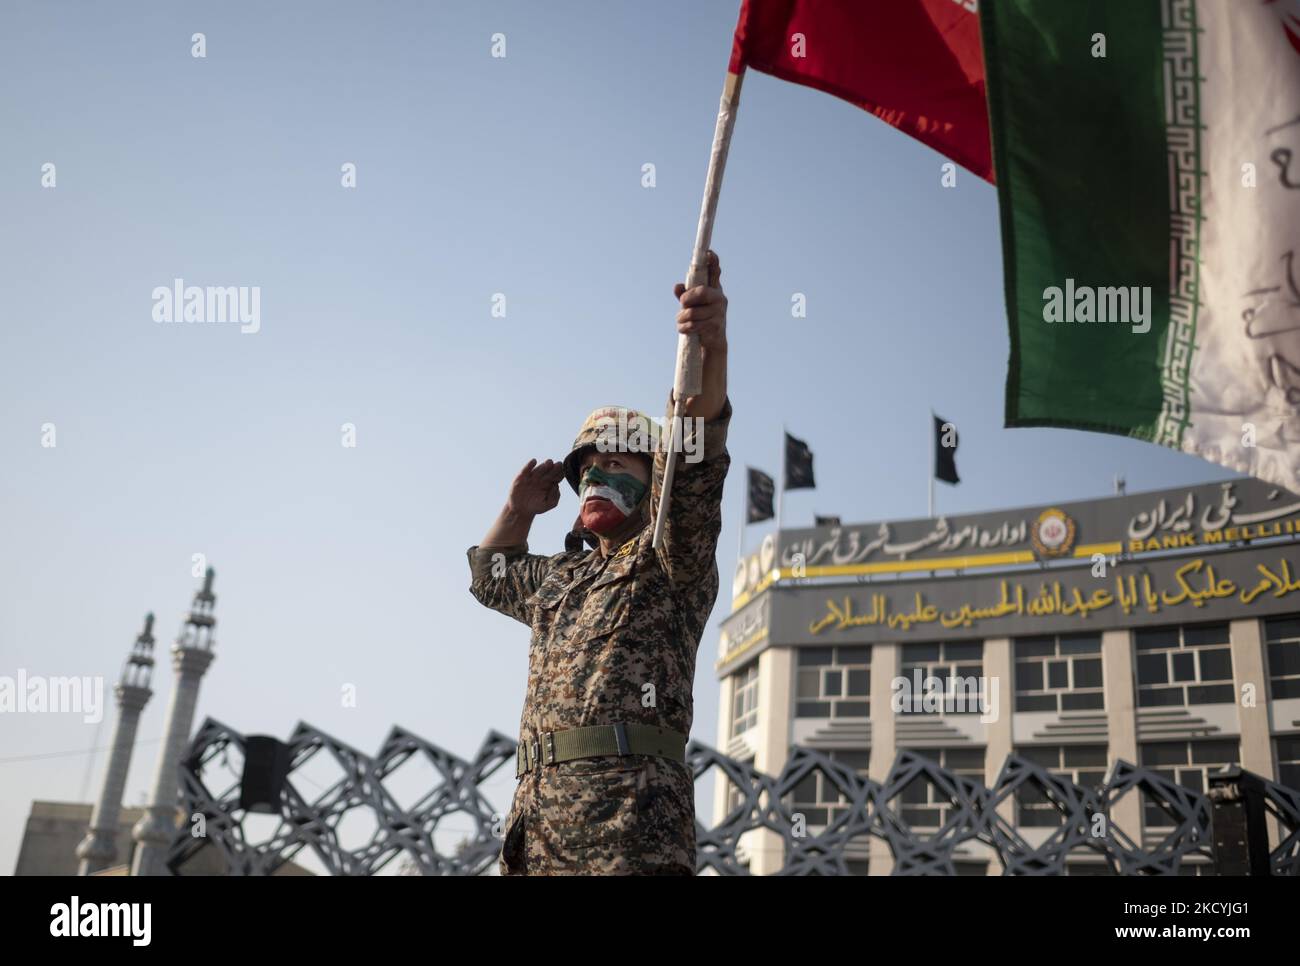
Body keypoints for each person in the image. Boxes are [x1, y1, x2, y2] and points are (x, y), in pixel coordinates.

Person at [466, 250, 731, 874]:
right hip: (539, 830)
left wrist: (709, 350)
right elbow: (488, 577)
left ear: (652, 484)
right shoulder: (563, 578)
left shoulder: (669, 560)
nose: (596, 480)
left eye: (616, 464)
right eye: (586, 470)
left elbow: (692, 464)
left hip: (630, 825)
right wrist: (518, 510)